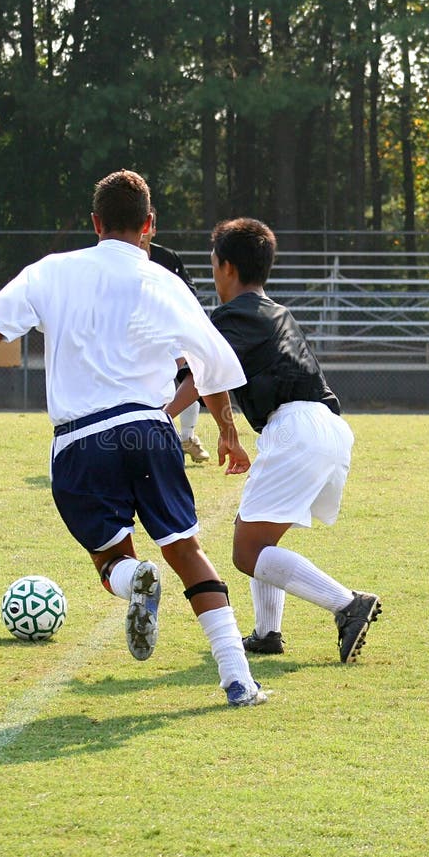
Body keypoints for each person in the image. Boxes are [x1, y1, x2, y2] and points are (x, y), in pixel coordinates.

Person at [0, 171, 267, 707]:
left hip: (82, 440)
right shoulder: (165, 283)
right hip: (151, 431)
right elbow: (212, 363)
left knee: (110, 561)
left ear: (96, 223)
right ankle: (238, 680)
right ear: (150, 225)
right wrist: (227, 430)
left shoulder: (53, 271)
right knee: (188, 550)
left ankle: (135, 580)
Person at [166, 217, 381, 664]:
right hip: (324, 428)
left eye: (212, 262)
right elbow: (218, 377)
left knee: (248, 551)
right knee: (257, 529)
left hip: (296, 429)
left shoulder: (233, 316)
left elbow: (201, 373)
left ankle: (347, 604)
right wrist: (228, 432)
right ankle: (267, 633)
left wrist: (160, 416)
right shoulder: (274, 312)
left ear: (225, 267)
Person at [139, 207, 210, 463]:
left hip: (168, 332)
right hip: (136, 336)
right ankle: (153, 433)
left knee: (192, 375)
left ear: (152, 228)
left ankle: (186, 437)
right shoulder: (118, 261)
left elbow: (189, 294)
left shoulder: (167, 258)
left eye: (147, 226)